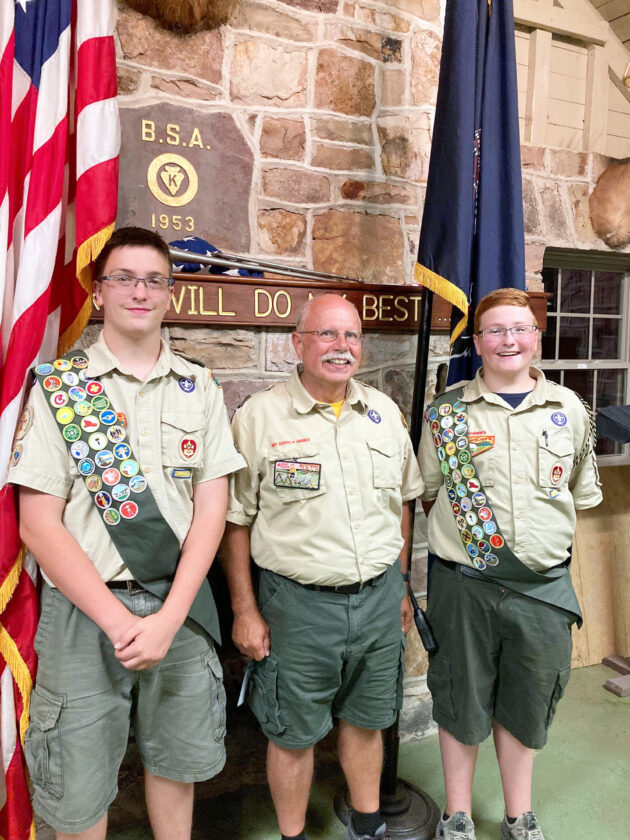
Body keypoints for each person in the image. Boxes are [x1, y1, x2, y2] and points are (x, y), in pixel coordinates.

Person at [10, 226, 245, 840]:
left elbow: (211, 509)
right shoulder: (64, 388)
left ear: (170, 294)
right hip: (86, 616)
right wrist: (119, 622)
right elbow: (37, 520)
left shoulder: (201, 387)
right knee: (78, 787)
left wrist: (167, 618)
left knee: (178, 764)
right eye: (124, 278)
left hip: (182, 607)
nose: (139, 291)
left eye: (154, 280)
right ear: (100, 292)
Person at [223, 294, 424, 840]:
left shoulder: (383, 415)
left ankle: (367, 824)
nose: (342, 347)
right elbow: (235, 520)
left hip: (379, 598)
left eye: (351, 337)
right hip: (297, 606)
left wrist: (402, 587)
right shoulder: (260, 416)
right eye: (327, 335)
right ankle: (292, 835)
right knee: (292, 733)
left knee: (367, 719)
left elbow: (402, 503)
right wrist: (244, 608)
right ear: (299, 342)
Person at [418, 288, 602, 840]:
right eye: (495, 330)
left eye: (519, 329)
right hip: (464, 586)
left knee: (527, 703)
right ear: (477, 341)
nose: (508, 340)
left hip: (541, 590)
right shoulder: (447, 412)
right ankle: (457, 816)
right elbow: (428, 492)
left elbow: (579, 498)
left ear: (536, 337)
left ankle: (519, 815)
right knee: (458, 700)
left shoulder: (569, 409)